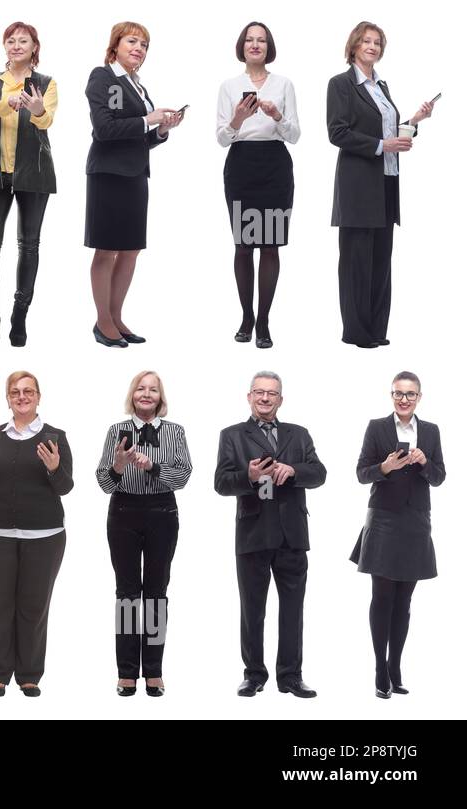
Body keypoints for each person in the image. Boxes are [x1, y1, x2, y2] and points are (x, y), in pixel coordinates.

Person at [214, 371, 326, 698]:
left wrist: (294, 471)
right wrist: (248, 476)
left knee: (293, 610)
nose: (265, 398)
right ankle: (254, 675)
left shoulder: (299, 434)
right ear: (249, 397)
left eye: (272, 393)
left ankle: (291, 676)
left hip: (292, 535)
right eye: (259, 392)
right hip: (253, 532)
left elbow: (319, 473)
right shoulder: (232, 435)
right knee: (252, 610)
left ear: (281, 399)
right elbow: (221, 483)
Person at [0, 371, 72, 697]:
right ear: (8, 398)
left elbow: (65, 487)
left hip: (45, 536)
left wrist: (54, 467)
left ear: (38, 396)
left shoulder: (55, 436)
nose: (22, 396)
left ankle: (29, 674)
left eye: (28, 391)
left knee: (33, 607)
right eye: (15, 392)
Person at [327, 21, 435, 349]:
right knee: (357, 263)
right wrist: (382, 145)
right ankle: (357, 334)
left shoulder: (381, 87)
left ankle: (375, 331)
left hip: (387, 183)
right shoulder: (341, 84)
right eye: (367, 41)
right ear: (355, 46)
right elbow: (338, 132)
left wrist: (414, 121)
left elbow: (391, 131)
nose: (373, 47)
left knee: (380, 262)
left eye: (377, 43)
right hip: (358, 187)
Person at [84, 22, 183, 348]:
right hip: (110, 175)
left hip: (136, 175)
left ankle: (116, 316)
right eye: (132, 41)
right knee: (107, 248)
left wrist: (162, 130)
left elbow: (138, 138)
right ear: (115, 46)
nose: (139, 48)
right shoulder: (105, 77)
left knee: (130, 250)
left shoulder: (136, 86)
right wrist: (148, 119)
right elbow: (106, 129)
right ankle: (103, 322)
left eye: (144, 44)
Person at [94, 371, 191, 697]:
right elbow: (104, 484)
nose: (146, 394)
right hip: (123, 514)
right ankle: (125, 673)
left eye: (153, 389)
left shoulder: (175, 432)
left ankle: (153, 671)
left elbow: (183, 477)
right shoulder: (116, 431)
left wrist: (153, 467)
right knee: (126, 594)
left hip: (163, 514)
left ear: (160, 397)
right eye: (141, 388)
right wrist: (119, 466)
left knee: (156, 593)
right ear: (132, 395)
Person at [352, 371, 444, 698]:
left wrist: (424, 462)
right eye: (398, 394)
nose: (404, 399)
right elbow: (362, 472)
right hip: (383, 521)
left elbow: (440, 477)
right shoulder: (377, 427)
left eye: (410, 394)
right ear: (391, 395)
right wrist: (385, 468)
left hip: (416, 521)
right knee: (383, 597)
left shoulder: (430, 431)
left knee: (404, 602)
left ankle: (395, 666)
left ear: (419, 397)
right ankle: (379, 667)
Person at [216, 22, 300, 349]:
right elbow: (222, 138)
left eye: (261, 40)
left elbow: (294, 135)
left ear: (268, 47)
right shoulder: (229, 86)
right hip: (241, 165)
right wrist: (238, 118)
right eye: (250, 40)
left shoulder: (284, 84)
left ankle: (264, 320)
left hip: (275, 166)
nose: (255, 45)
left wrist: (278, 115)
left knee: (270, 245)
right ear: (242, 46)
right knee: (243, 245)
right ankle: (246, 316)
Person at [0, 21, 57, 348]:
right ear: (4, 45)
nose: (16, 45)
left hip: (33, 171)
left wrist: (37, 110)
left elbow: (46, 119)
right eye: (11, 40)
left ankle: (20, 314)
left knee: (29, 244)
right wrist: (4, 103)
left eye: (24, 41)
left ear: (34, 47)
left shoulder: (46, 83)